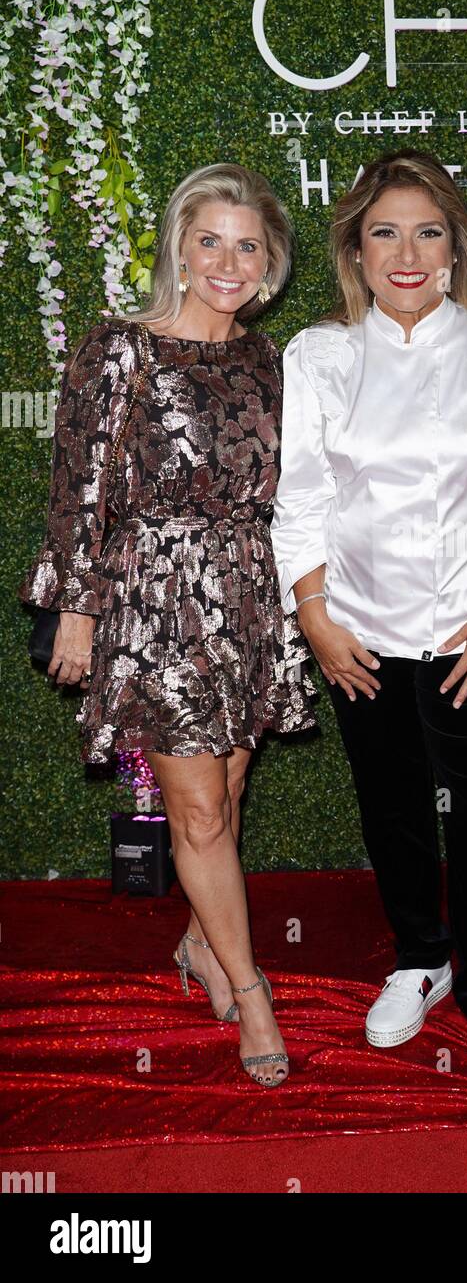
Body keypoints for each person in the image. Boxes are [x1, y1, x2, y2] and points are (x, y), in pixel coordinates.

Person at [271, 149, 467, 1114]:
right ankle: (420, 958)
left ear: (453, 245)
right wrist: (314, 617)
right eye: (384, 231)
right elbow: (301, 494)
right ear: (355, 246)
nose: (407, 252)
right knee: (390, 801)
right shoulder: (316, 354)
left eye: (427, 231)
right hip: (353, 625)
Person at [19, 163, 318, 1089]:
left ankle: (200, 945)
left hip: (250, 593)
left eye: (248, 246)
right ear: (178, 252)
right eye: (210, 242)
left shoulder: (271, 358)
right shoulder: (121, 349)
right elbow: (81, 488)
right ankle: (252, 990)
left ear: (268, 264)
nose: (228, 262)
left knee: (224, 799)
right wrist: (76, 609)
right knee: (194, 808)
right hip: (156, 596)